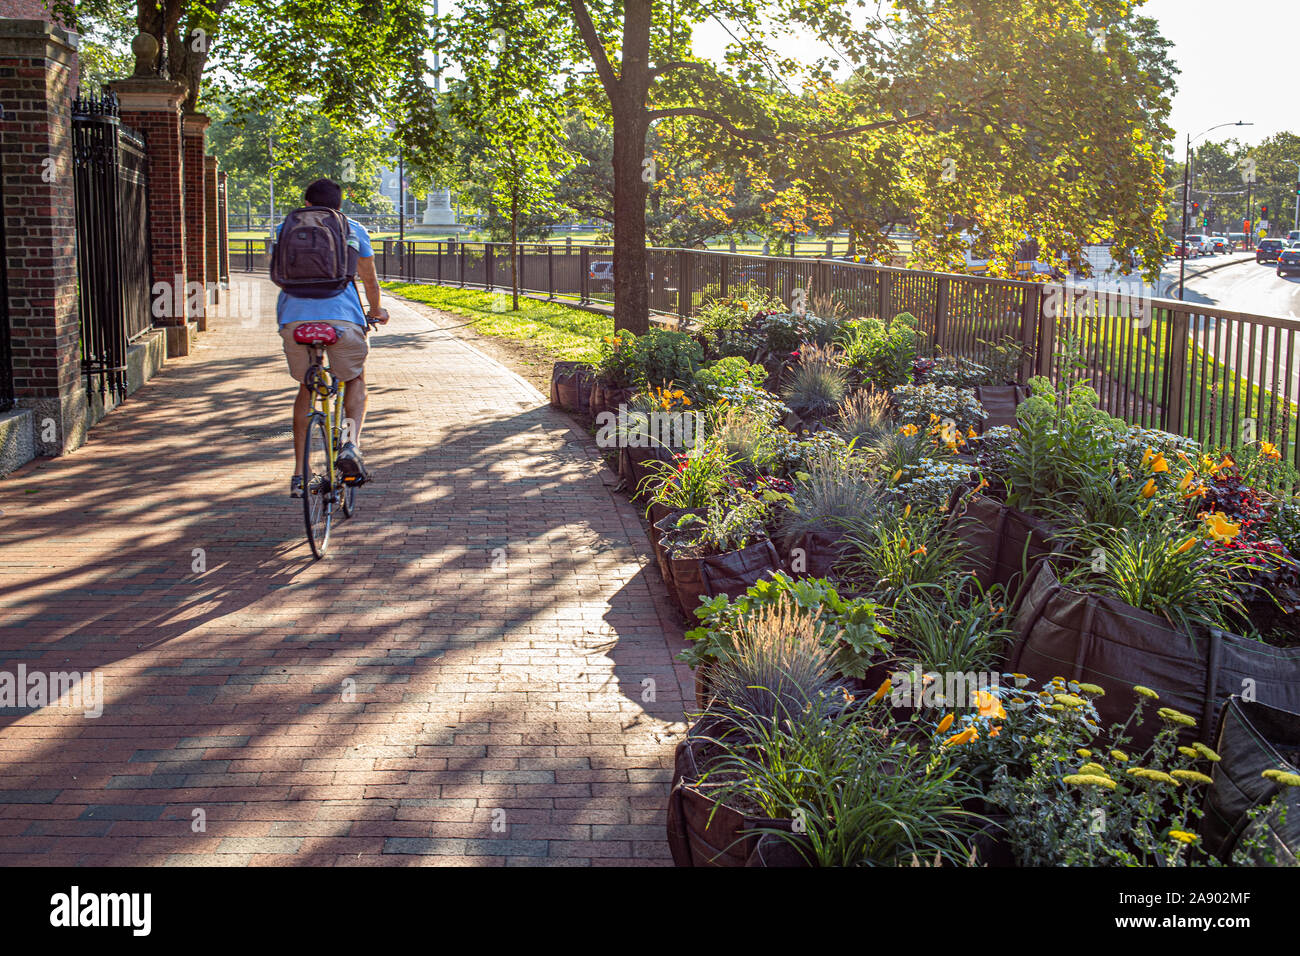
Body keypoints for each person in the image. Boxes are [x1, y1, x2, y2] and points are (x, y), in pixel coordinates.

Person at [276, 178, 388, 498]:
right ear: (339, 206)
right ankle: (351, 445)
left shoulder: (288, 227)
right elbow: (369, 281)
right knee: (355, 377)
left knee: (306, 387)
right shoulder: (352, 229)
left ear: (307, 204)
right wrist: (377, 310)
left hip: (294, 320)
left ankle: (300, 473)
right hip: (342, 320)